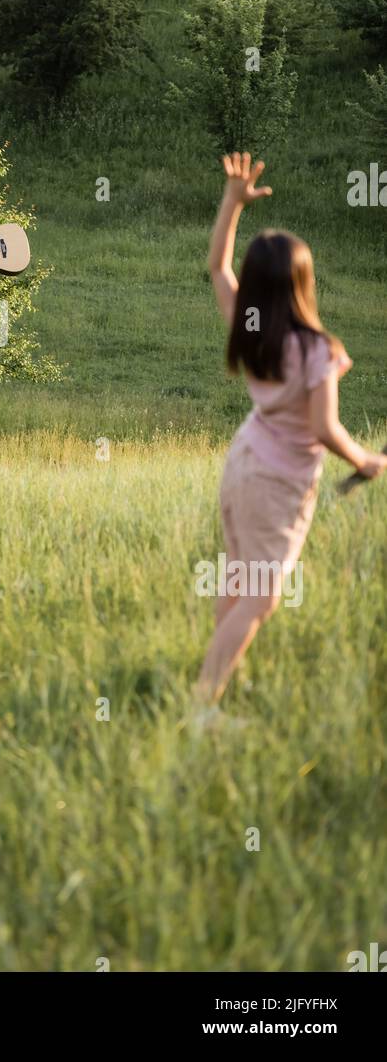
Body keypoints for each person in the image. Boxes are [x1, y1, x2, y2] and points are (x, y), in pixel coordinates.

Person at [196, 152, 386, 705]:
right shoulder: (318, 349)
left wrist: (231, 203)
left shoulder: (250, 327)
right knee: (261, 597)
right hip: (276, 482)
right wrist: (366, 460)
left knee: (237, 579)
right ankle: (203, 707)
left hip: (243, 462)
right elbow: (326, 428)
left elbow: (217, 268)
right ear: (304, 284)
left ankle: (217, 673)